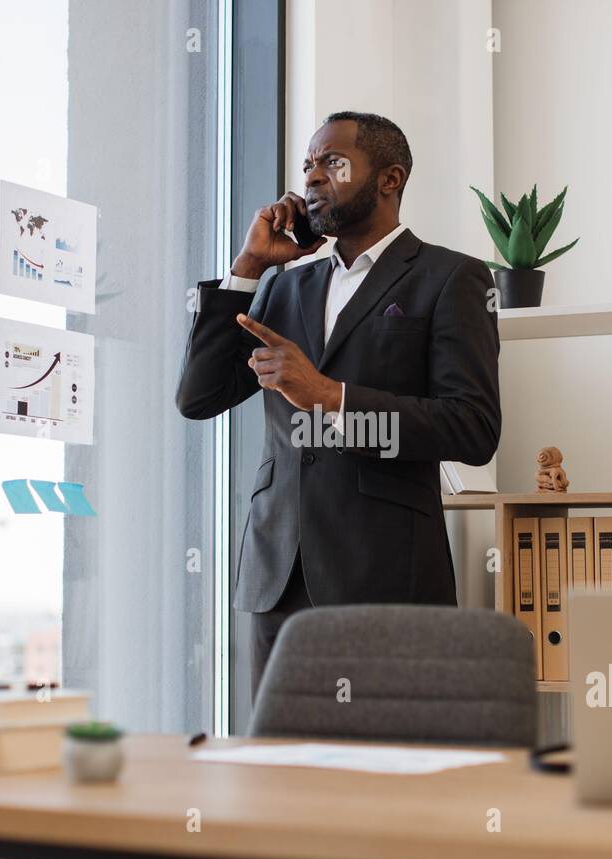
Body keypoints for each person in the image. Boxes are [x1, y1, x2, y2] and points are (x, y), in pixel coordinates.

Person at [177, 111, 501, 694]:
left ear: (389, 178)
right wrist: (248, 267)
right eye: (307, 166)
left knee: (383, 771)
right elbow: (198, 397)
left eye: (332, 162)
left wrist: (333, 399)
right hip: (279, 574)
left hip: (384, 577)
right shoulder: (282, 284)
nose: (312, 177)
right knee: (282, 769)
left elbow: (473, 428)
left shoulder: (451, 278)